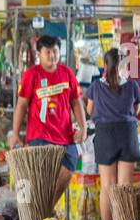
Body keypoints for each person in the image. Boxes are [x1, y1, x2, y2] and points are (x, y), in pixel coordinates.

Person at [8, 34, 86, 208]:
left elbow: (76, 101)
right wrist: (15, 133)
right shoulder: (31, 74)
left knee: (67, 171)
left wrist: (83, 127)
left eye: (55, 51)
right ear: (39, 54)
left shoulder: (67, 73)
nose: (52, 56)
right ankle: (33, 214)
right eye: (48, 52)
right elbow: (21, 105)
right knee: (37, 179)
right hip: (39, 135)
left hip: (65, 135)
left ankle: (44, 209)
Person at [86, 47, 140, 220]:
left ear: (104, 65)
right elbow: (137, 108)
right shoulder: (132, 86)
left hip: (105, 134)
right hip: (127, 133)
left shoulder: (96, 86)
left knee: (107, 186)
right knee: (124, 186)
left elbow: (89, 109)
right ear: (123, 65)